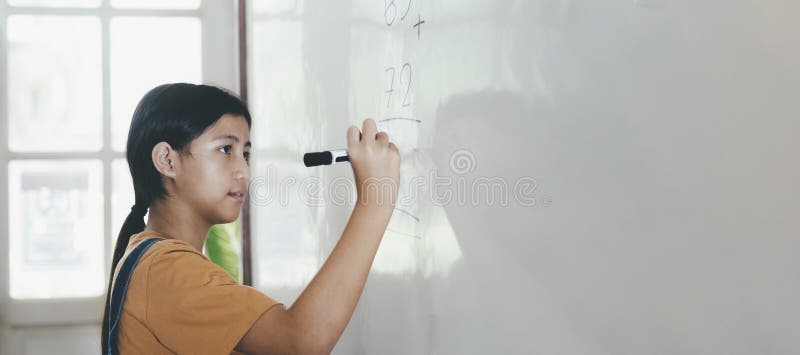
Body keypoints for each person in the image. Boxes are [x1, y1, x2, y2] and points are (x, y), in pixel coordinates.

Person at [101, 83, 400, 354]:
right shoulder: (165, 267)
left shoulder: (153, 257)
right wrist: (375, 201)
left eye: (245, 154)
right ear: (167, 160)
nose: (244, 171)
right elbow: (298, 343)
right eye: (225, 149)